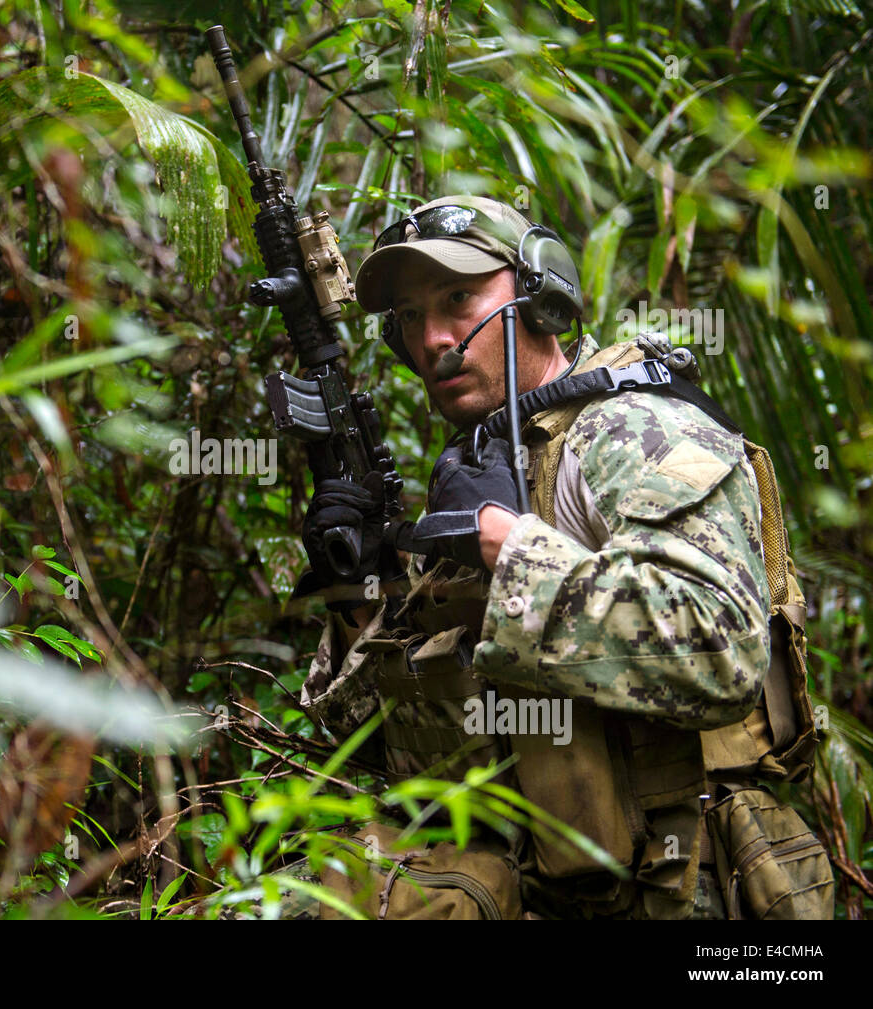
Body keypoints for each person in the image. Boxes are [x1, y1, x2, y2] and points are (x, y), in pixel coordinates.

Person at [295, 195, 833, 919]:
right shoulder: (492, 459)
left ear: (541, 298)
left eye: (459, 298)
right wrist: (362, 595)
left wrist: (510, 550)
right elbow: (384, 747)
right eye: (411, 318)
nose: (433, 338)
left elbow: (720, 648)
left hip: (682, 885)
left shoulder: (634, 427)